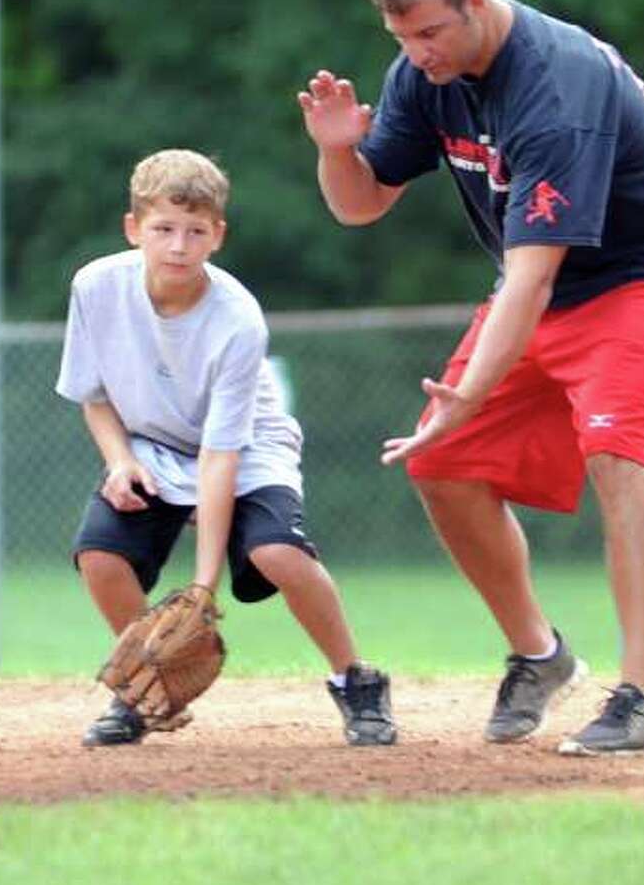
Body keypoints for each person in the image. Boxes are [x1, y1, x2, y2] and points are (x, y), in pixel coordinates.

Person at [296, 0, 644, 755]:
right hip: (547, 283)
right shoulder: (429, 75)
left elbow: (531, 277)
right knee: (441, 464)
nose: (416, 53)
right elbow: (361, 204)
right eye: (401, 39)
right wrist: (336, 152)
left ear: (475, 1)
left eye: (429, 32)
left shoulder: (554, 88)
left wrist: (468, 393)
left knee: (619, 454)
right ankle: (540, 654)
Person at [55, 149, 397, 749]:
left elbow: (221, 458)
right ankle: (143, 685)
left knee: (278, 556)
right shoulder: (96, 287)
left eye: (195, 231)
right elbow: (93, 394)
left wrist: (203, 587)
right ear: (133, 229)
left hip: (247, 446)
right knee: (100, 557)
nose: (179, 246)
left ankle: (355, 680)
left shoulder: (236, 318)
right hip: (153, 445)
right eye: (163, 229)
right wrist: (120, 461)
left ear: (218, 235)